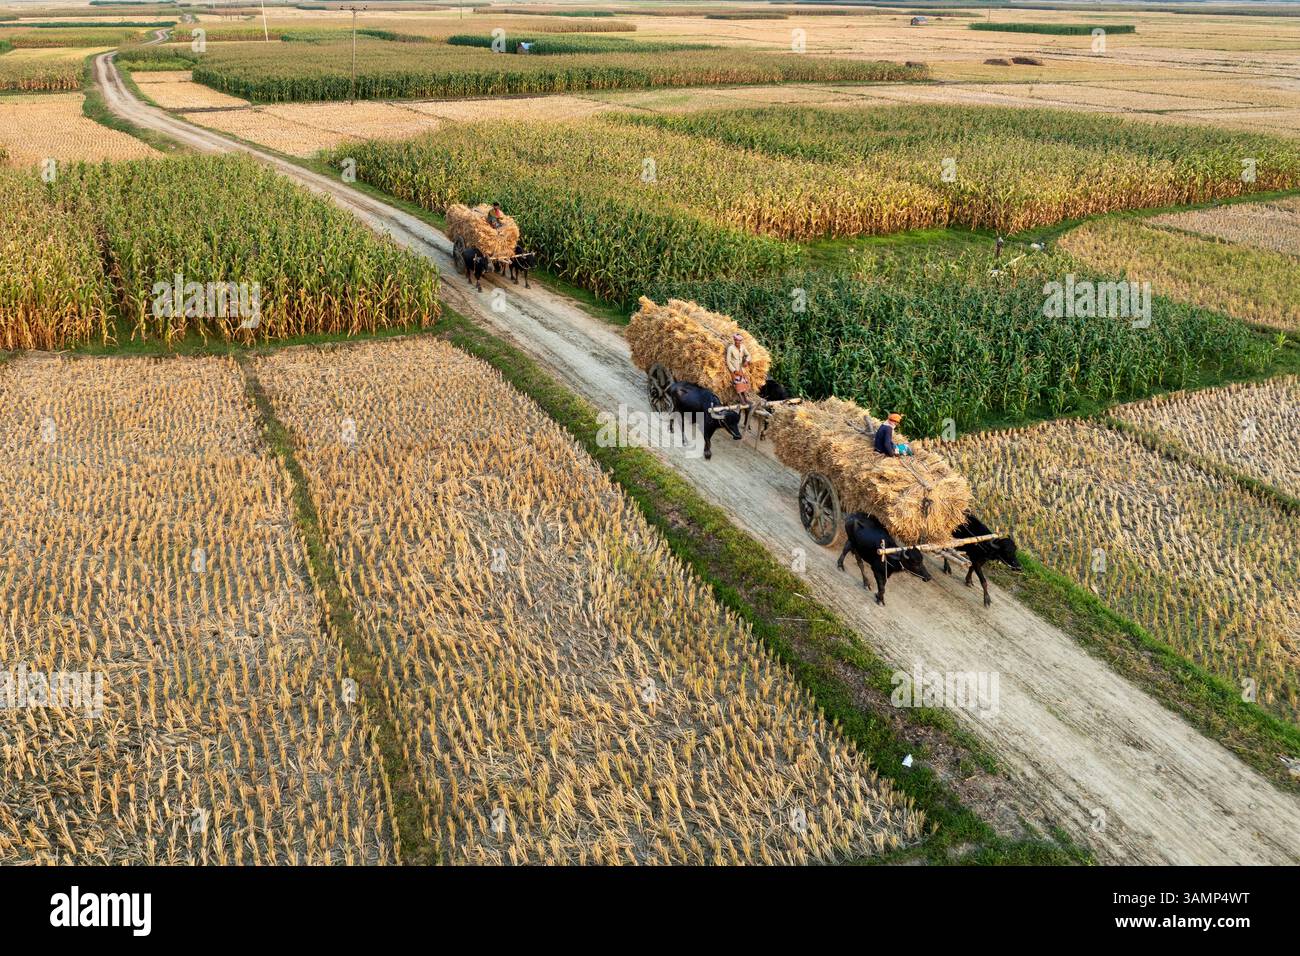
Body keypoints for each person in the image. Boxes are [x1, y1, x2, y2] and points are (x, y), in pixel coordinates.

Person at [725, 332, 752, 407]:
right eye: (737, 340)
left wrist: (746, 361)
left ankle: (745, 398)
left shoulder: (743, 347)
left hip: (741, 368)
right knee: (737, 382)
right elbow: (728, 361)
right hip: (734, 368)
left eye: (739, 341)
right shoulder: (731, 348)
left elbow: (748, 355)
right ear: (734, 340)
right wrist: (734, 370)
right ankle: (741, 399)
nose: (738, 342)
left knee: (743, 381)